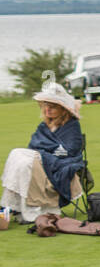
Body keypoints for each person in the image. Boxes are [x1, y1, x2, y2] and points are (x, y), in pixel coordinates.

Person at [1, 83, 85, 225]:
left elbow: (69, 152)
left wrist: (45, 153)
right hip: (38, 162)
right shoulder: (43, 126)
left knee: (20, 156)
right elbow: (33, 146)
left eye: (52, 106)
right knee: (19, 157)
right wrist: (47, 151)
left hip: (59, 165)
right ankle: (13, 206)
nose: (47, 109)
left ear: (63, 109)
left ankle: (10, 208)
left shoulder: (71, 126)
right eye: (45, 105)